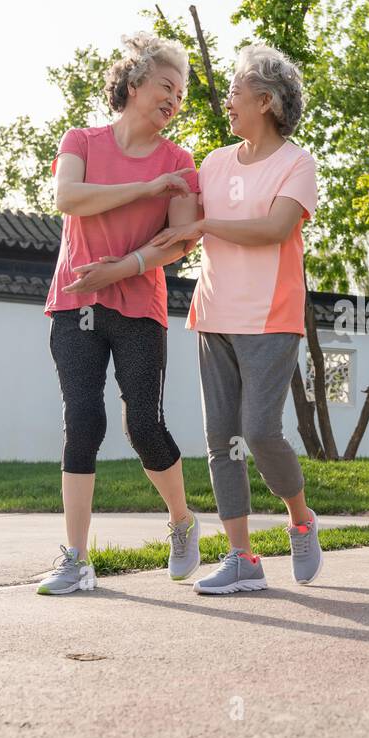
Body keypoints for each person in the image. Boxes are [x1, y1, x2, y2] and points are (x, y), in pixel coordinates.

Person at [144, 44, 322, 594]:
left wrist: (206, 227)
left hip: (270, 317)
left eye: (236, 91)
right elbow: (179, 223)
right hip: (214, 313)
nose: (227, 100)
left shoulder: (297, 163)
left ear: (265, 100)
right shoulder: (215, 163)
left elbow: (273, 230)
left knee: (261, 431)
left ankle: (301, 517)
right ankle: (243, 556)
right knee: (222, 439)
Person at [35, 32, 204, 595]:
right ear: (133, 84)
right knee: (83, 419)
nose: (174, 100)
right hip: (75, 303)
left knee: (143, 425)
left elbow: (179, 240)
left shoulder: (180, 161)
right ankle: (76, 558)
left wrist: (124, 266)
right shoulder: (80, 140)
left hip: (137, 305)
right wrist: (146, 187)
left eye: (180, 93)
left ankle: (182, 521)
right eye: (166, 86)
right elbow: (68, 198)